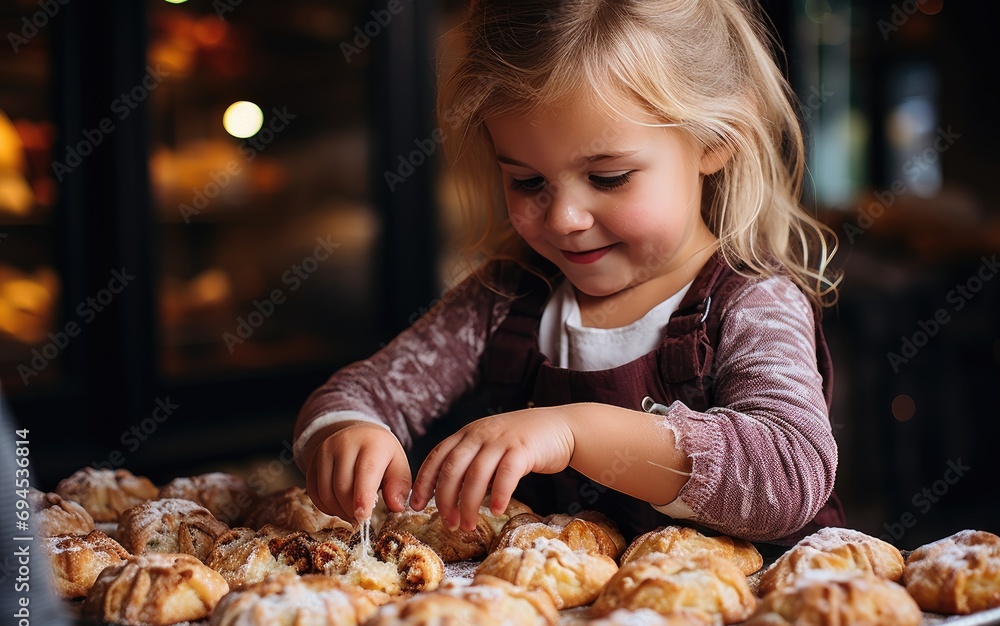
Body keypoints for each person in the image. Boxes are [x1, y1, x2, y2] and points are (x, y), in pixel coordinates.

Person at [295, 0, 845, 544]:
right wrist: (348, 432)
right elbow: (361, 391)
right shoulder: (506, 298)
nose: (564, 218)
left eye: (609, 177)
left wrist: (572, 431)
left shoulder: (753, 304)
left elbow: (787, 472)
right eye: (528, 182)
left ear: (717, 138)